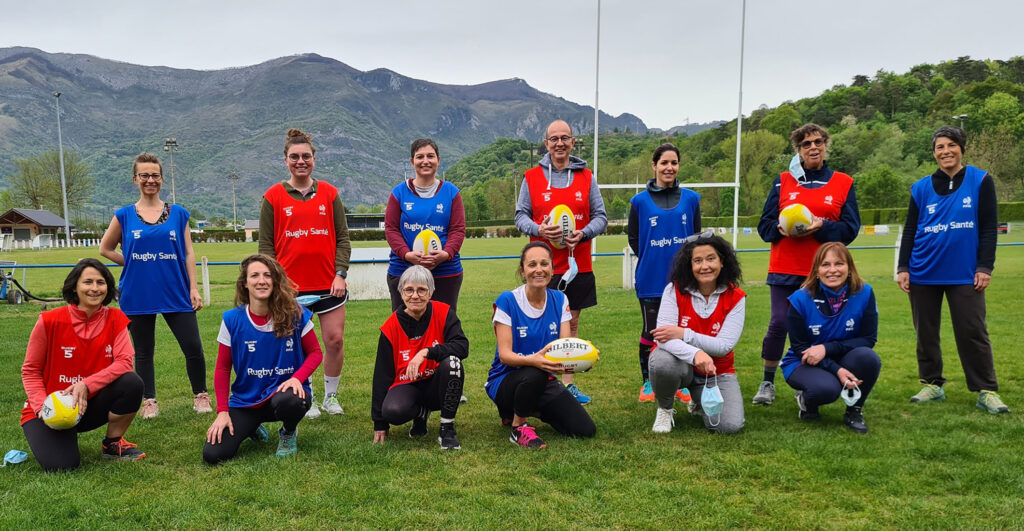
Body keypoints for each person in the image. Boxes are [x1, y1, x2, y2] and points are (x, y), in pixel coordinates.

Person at [897, 126, 1008, 414]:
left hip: (965, 272)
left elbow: (988, 228)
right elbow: (910, 230)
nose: (945, 151)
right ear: (934, 153)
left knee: (972, 331)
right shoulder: (920, 188)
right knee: (926, 333)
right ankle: (932, 384)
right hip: (923, 271)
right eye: (940, 147)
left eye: (951, 145)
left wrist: (985, 266)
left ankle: (986, 390)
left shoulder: (980, 180)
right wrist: (903, 267)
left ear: (962, 148)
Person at [753, 123, 860, 407]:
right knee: (779, 324)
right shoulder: (782, 181)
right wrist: (781, 229)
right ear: (798, 150)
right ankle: (767, 382)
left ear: (826, 145)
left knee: (819, 330)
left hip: (825, 273)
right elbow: (764, 227)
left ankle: (808, 384)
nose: (813, 147)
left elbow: (850, 230)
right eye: (806, 144)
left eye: (818, 142)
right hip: (785, 268)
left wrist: (822, 226)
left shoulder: (843, 182)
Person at [99, 152, 209, 419]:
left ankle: (201, 396)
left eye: (155, 175)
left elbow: (188, 253)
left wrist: (194, 288)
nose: (150, 180)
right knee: (143, 351)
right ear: (135, 179)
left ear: (162, 178)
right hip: (138, 292)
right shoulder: (124, 215)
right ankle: (149, 400)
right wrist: (131, 261)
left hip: (176, 291)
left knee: (193, 347)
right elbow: (105, 249)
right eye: (145, 175)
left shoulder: (179, 213)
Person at [259, 128, 352, 419]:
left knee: (334, 341)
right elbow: (265, 247)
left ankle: (331, 396)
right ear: (285, 160)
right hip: (291, 289)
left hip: (329, 285)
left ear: (314, 159)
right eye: (295, 157)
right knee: (297, 346)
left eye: (306, 156)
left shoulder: (330, 193)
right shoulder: (273, 196)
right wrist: (276, 283)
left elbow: (343, 238)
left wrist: (340, 274)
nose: (301, 161)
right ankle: (306, 395)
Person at [514, 120, 608, 404]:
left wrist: (583, 233)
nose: (559, 143)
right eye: (553, 139)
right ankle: (541, 381)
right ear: (546, 144)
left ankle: (567, 386)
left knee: (571, 323)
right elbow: (520, 216)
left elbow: (601, 217)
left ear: (573, 142)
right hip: (541, 266)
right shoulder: (531, 177)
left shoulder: (587, 177)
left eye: (564, 138)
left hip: (576, 264)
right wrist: (539, 230)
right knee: (540, 324)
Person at [21, 258, 146, 471]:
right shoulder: (49, 320)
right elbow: (30, 370)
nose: (95, 288)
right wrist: (42, 407)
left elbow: (125, 362)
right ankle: (56, 435)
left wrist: (86, 384)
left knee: (131, 383)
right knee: (62, 466)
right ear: (75, 286)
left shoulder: (116, 318)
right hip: (49, 408)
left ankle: (112, 444)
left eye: (101, 282)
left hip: (89, 405)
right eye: (88, 282)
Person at [203, 255, 323, 463]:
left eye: (267, 275)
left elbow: (316, 353)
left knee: (292, 401)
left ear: (275, 281)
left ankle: (288, 432)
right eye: (255, 275)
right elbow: (222, 368)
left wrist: (297, 378)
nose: (262, 281)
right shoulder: (232, 319)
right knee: (213, 455)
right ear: (245, 283)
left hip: (283, 395)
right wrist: (222, 411)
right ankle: (252, 427)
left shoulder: (295, 314)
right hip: (247, 401)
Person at [485, 242, 596, 449]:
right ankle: (518, 427)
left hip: (542, 378)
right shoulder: (508, 300)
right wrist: (533, 360)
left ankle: (520, 409)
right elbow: (505, 355)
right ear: (523, 271)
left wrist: (583, 356)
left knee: (584, 429)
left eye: (544, 264)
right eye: (532, 264)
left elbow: (564, 350)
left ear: (552, 270)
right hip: (505, 380)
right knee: (535, 371)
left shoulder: (560, 299)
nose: (539, 269)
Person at [648, 233, 745, 434]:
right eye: (697, 261)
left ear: (722, 261)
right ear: (689, 265)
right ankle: (665, 409)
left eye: (711, 259)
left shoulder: (736, 297)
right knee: (662, 361)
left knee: (729, 426)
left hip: (716, 370)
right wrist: (696, 354)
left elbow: (724, 346)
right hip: (682, 366)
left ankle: (697, 399)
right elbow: (663, 339)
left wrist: (684, 333)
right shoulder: (674, 290)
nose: (705, 266)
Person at [628, 142, 701, 403]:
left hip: (684, 279)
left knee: (681, 330)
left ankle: (680, 382)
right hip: (651, 277)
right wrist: (654, 256)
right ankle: (648, 382)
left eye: (674, 163)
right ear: (654, 165)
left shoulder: (692, 199)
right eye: (664, 163)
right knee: (652, 331)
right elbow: (634, 240)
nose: (669, 167)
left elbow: (696, 239)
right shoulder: (638, 201)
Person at [782, 243, 881, 433]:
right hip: (804, 360)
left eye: (839, 263)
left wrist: (826, 348)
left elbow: (868, 339)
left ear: (849, 268)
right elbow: (800, 347)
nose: (832, 270)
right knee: (826, 390)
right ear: (816, 271)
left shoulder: (865, 293)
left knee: (868, 358)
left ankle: (854, 410)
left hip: (842, 355)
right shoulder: (800, 299)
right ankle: (808, 402)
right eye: (825, 264)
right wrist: (836, 370)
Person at [371, 266, 468, 450]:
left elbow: (462, 347)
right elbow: (382, 375)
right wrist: (380, 422)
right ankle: (420, 413)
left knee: (453, 364)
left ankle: (447, 429)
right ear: (401, 293)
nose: (415, 296)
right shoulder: (390, 327)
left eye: (421, 290)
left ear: (431, 292)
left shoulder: (444, 313)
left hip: (436, 384)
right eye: (409, 290)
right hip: (407, 384)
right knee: (393, 411)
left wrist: (427, 352)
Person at [385, 138, 466, 314]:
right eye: (420, 157)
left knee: (443, 323)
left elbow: (457, 230)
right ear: (412, 161)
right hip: (403, 270)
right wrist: (407, 255)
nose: (425, 161)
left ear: (438, 160)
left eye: (430, 156)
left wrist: (446, 254)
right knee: (404, 324)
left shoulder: (451, 192)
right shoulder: (399, 192)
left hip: (445, 271)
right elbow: (391, 229)